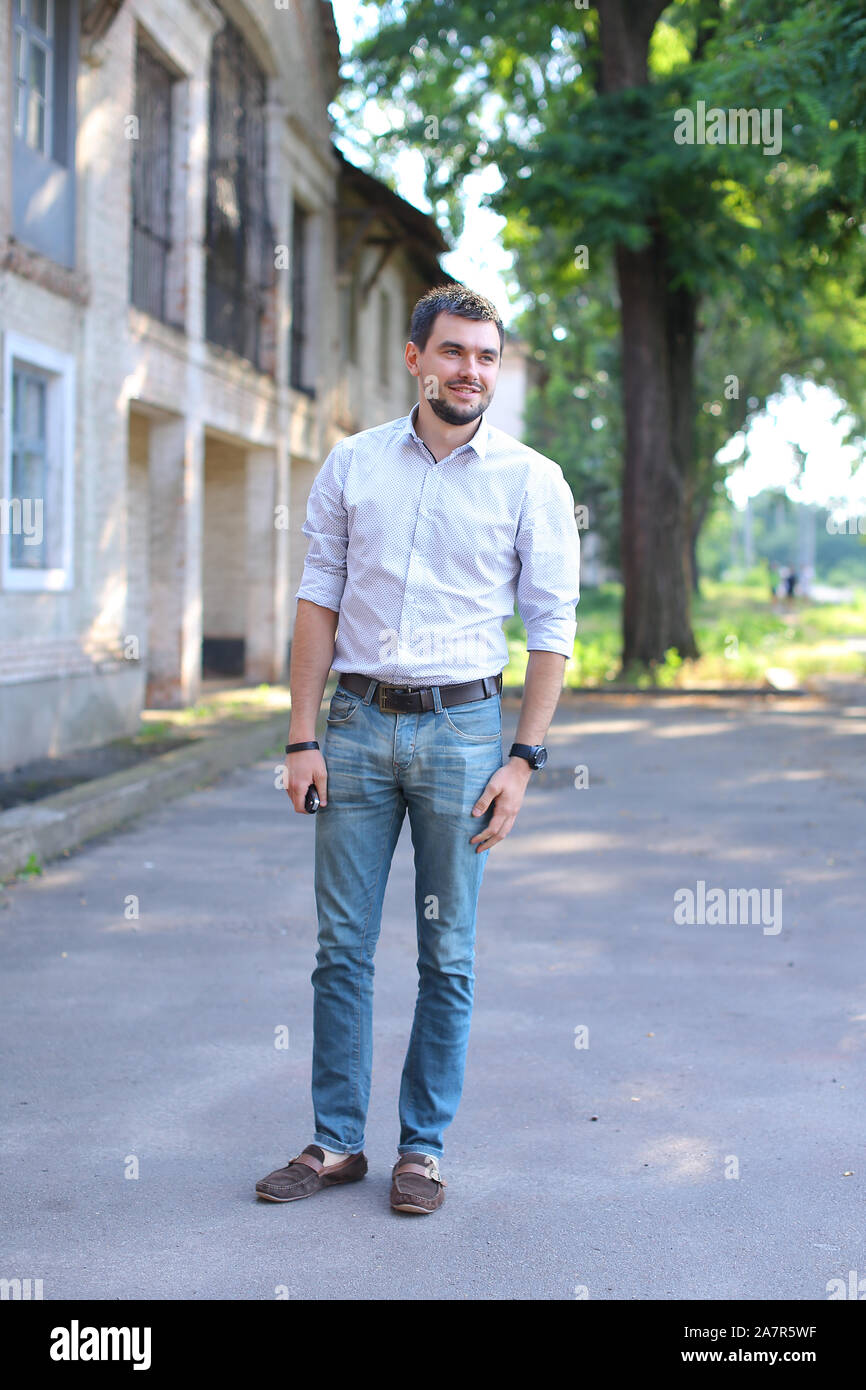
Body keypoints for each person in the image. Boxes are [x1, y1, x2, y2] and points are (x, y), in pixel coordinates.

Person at [255, 285, 580, 1214]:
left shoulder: (531, 479)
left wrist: (523, 760)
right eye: (453, 352)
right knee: (341, 948)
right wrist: (302, 736)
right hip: (353, 730)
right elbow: (317, 599)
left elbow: (552, 627)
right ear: (415, 358)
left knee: (448, 955)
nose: (470, 371)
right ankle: (335, 1143)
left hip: (464, 736)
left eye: (485, 356)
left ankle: (422, 1149)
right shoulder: (354, 465)